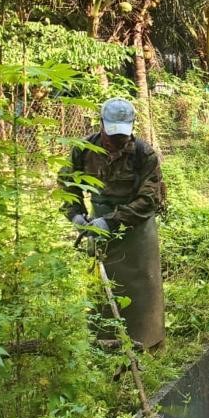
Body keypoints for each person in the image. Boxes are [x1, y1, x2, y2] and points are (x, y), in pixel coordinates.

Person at [62, 98, 166, 350]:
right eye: (112, 135)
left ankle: (148, 343)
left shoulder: (144, 154)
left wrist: (110, 222)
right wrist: (76, 214)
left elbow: (147, 200)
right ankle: (106, 344)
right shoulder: (83, 149)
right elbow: (67, 184)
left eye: (122, 135)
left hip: (136, 228)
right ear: (101, 126)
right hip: (99, 225)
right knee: (104, 286)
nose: (116, 141)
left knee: (143, 289)